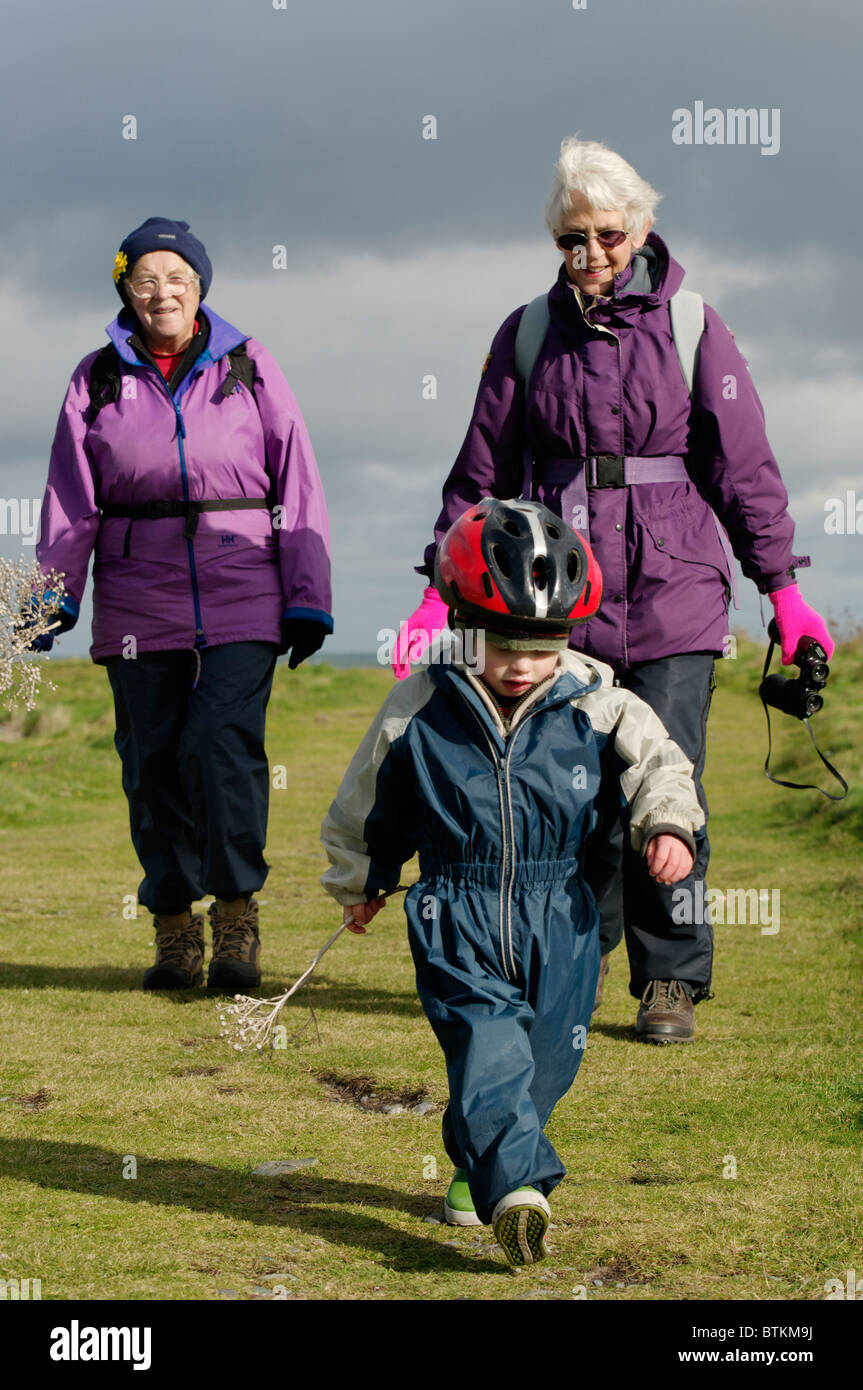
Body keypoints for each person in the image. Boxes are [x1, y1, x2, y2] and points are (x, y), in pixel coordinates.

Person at [392, 138, 833, 1043]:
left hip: (677, 593)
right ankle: (572, 964)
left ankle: (669, 977)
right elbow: (480, 473)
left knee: (666, 782)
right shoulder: (523, 333)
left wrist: (781, 590)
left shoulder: (694, 327)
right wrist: (439, 590)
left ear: (641, 227)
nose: (590, 254)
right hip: (561, 599)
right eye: (571, 239)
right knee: (576, 788)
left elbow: (741, 466)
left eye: (606, 234)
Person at [321, 499, 703, 1265]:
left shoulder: (599, 702)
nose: (522, 663)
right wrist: (362, 877)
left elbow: (660, 764)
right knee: (486, 1042)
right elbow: (370, 799)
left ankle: (479, 1163)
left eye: (543, 643)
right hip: (453, 909)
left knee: (545, 1063)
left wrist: (664, 824)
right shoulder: (422, 706)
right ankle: (518, 1191)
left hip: (563, 910)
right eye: (503, 643)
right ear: (463, 621)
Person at [35, 217, 333, 992]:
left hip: (244, 593)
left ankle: (236, 914)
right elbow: (71, 502)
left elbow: (297, 479)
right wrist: (51, 598)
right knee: (152, 761)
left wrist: (307, 597)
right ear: (125, 292)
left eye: (177, 277)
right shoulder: (96, 377)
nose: (161, 292)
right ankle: (173, 925)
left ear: (200, 287)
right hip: (138, 601)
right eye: (145, 279)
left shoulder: (249, 366)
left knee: (223, 749)